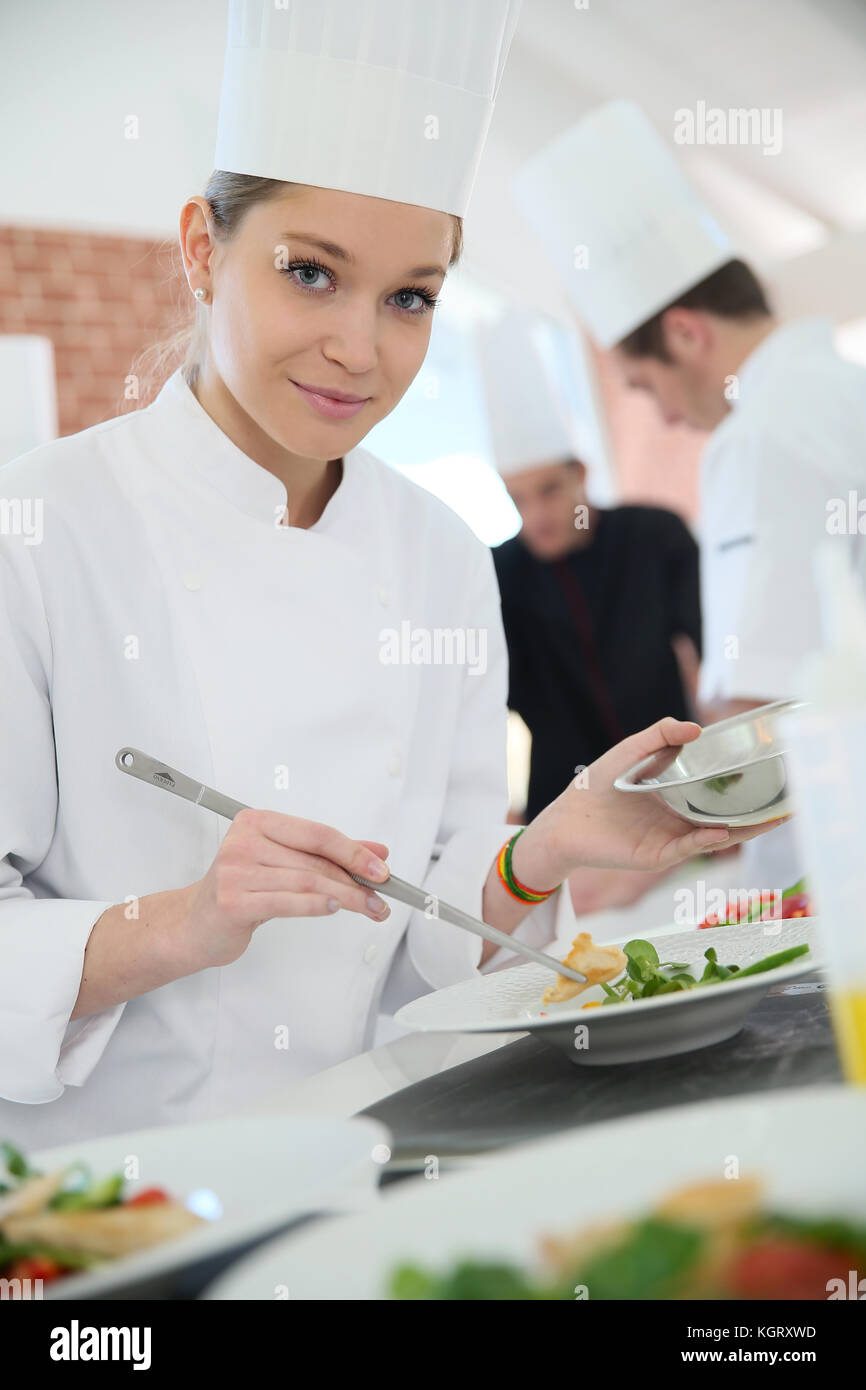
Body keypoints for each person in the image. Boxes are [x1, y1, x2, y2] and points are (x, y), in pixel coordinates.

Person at [0, 7, 776, 1149]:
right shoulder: (41, 526)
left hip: (376, 1152)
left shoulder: (440, 556)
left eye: (410, 296)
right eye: (310, 273)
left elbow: (433, 940)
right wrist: (188, 919)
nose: (360, 348)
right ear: (202, 250)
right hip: (116, 1194)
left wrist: (541, 848)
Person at [514, 98, 866, 890]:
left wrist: (635, 853)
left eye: (648, 386)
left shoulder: (760, 432)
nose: (668, 416)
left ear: (685, 333)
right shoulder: (843, 389)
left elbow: (755, 703)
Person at [480, 309, 701, 824]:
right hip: (563, 810)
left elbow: (710, 656)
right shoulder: (496, 575)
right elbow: (486, 703)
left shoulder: (654, 535)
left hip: (672, 781)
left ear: (580, 472)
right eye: (517, 499)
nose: (536, 517)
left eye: (549, 491)